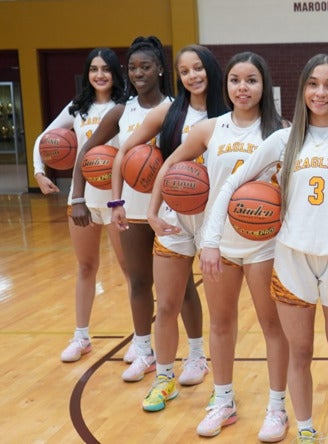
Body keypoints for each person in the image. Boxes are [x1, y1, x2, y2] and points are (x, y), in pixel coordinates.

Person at [203, 53, 328, 443]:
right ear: (302, 90)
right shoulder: (283, 139)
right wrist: (211, 241)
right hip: (292, 257)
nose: (321, 92)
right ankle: (306, 431)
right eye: (313, 84)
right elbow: (231, 184)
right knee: (300, 352)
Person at [149, 51, 289, 440]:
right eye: (235, 80)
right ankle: (223, 400)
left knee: (271, 326)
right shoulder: (209, 130)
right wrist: (155, 209)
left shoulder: (282, 132)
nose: (242, 88)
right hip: (219, 244)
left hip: (265, 245)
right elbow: (168, 165)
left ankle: (277, 408)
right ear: (225, 85)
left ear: (265, 86)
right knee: (222, 324)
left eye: (251, 80)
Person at [117, 45, 226, 411]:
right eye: (185, 71)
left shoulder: (231, 113)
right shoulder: (170, 112)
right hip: (174, 215)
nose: (192, 76)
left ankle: (201, 361)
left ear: (211, 69)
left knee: (219, 311)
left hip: (217, 220)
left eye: (198, 68)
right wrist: (122, 201)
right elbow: (124, 151)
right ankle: (164, 379)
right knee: (166, 303)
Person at [70, 36, 175, 382]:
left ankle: (194, 354)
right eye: (132, 68)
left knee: (179, 288)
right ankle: (144, 350)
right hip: (131, 211)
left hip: (170, 212)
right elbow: (87, 150)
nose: (138, 73)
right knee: (139, 282)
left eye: (146, 66)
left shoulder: (176, 109)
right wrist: (79, 197)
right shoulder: (121, 111)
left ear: (160, 68)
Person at [32, 48, 128, 363]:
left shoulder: (125, 107)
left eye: (106, 69)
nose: (100, 75)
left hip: (117, 200)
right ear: (87, 73)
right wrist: (38, 170)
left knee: (131, 273)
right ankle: (81, 336)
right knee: (86, 268)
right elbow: (45, 137)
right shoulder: (78, 108)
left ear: (115, 72)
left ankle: (143, 341)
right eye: (93, 69)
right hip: (82, 199)